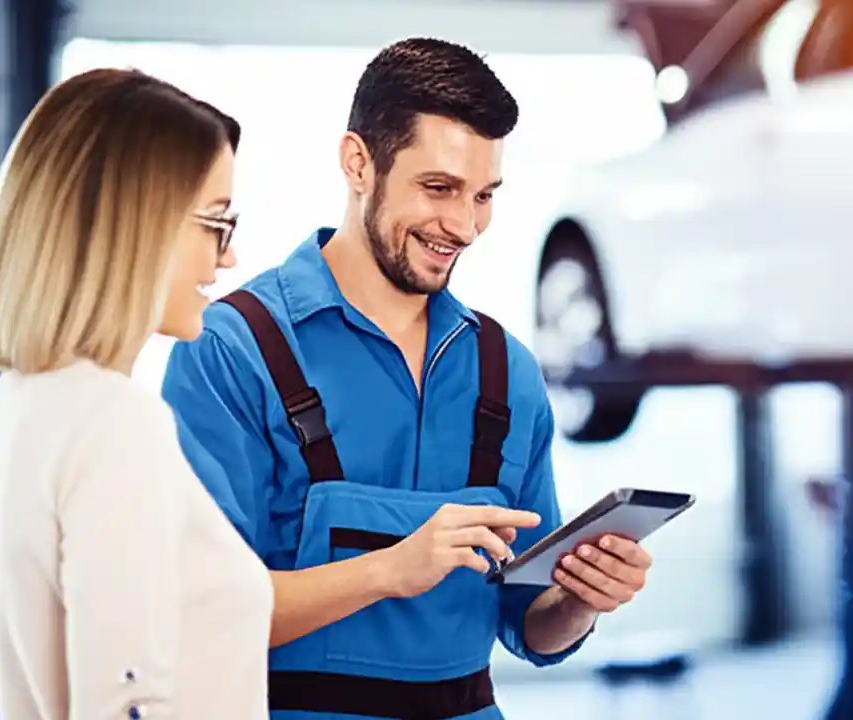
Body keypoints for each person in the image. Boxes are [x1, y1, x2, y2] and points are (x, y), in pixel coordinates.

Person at [162, 37, 654, 719]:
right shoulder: (234, 349)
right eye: (438, 188)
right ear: (357, 162)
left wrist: (579, 601)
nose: (465, 225)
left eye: (484, 195)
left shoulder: (504, 370)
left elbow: (528, 624)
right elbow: (200, 611)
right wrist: (390, 569)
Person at [0, 68, 272, 719]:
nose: (229, 257)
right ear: (139, 222)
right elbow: (126, 706)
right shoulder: (113, 421)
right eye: (217, 222)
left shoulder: (18, 403)